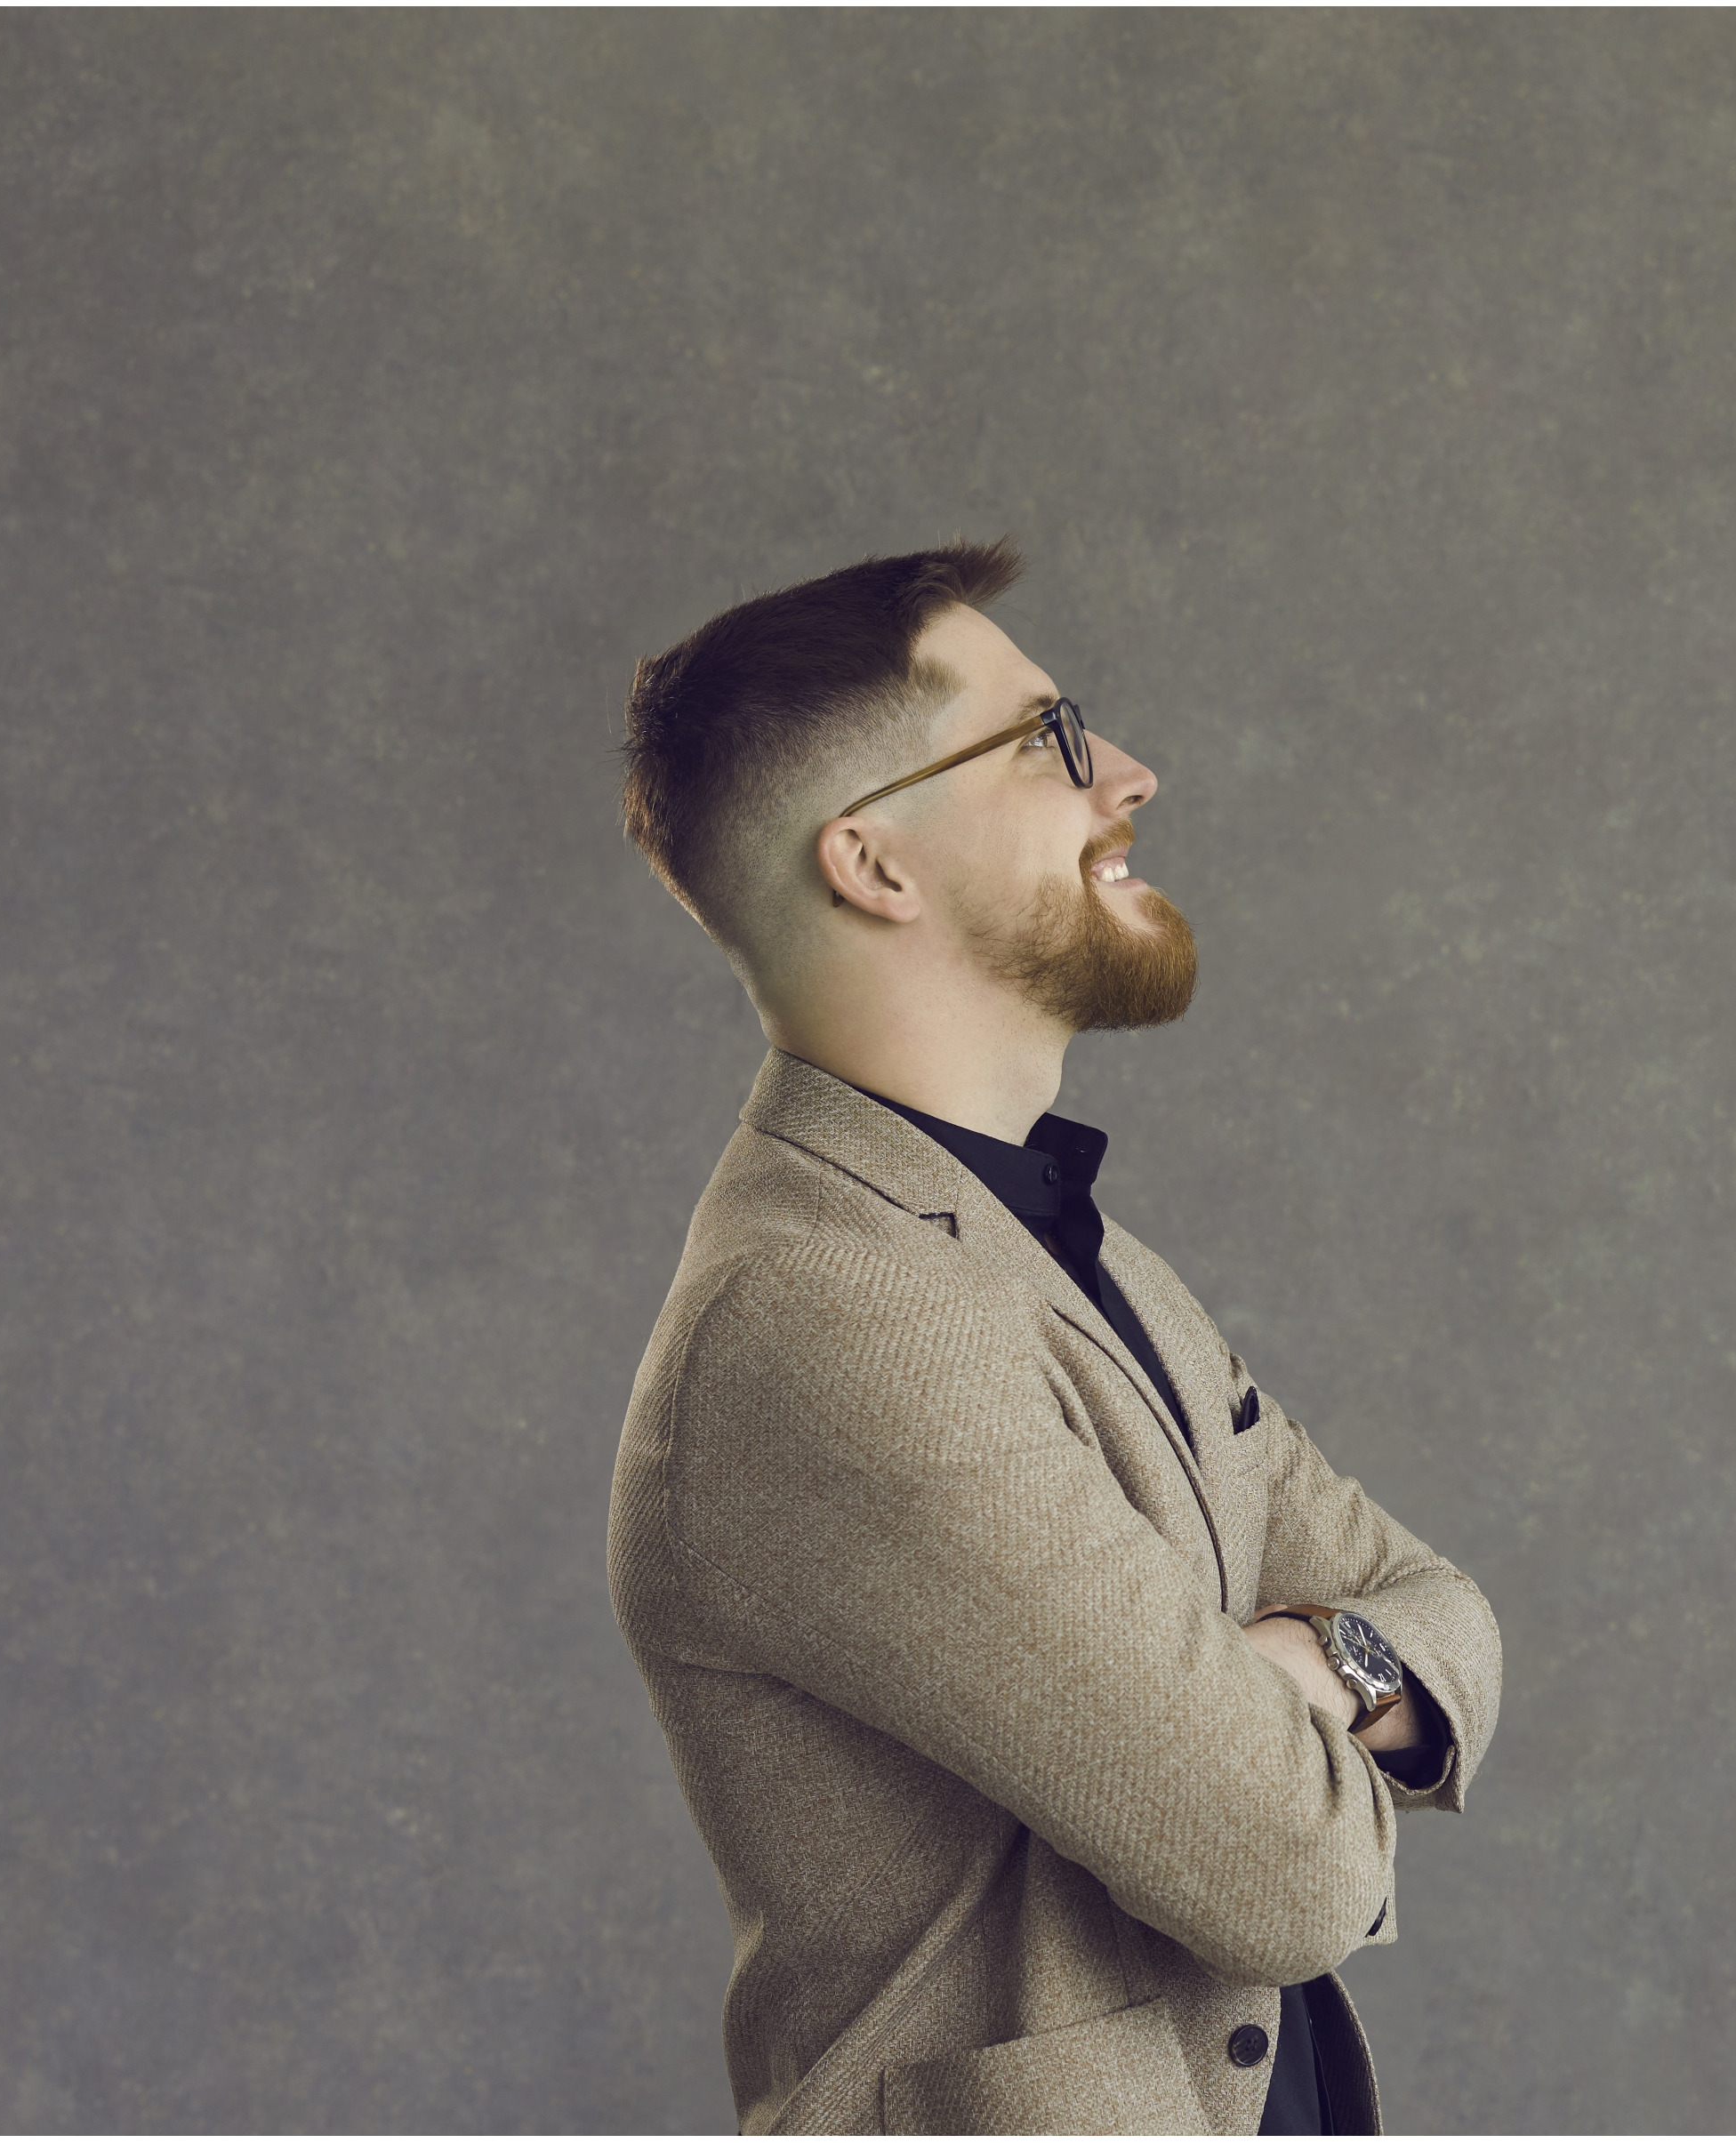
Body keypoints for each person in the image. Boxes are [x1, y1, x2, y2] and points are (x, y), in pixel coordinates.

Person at [607, 538, 1499, 2134]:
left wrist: (1311, 1657)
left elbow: (1449, 1611)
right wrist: (1346, 1681)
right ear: (873, 861)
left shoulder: (1078, 1258)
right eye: (1051, 739)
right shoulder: (832, 1324)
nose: (1132, 774)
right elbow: (1288, 1873)